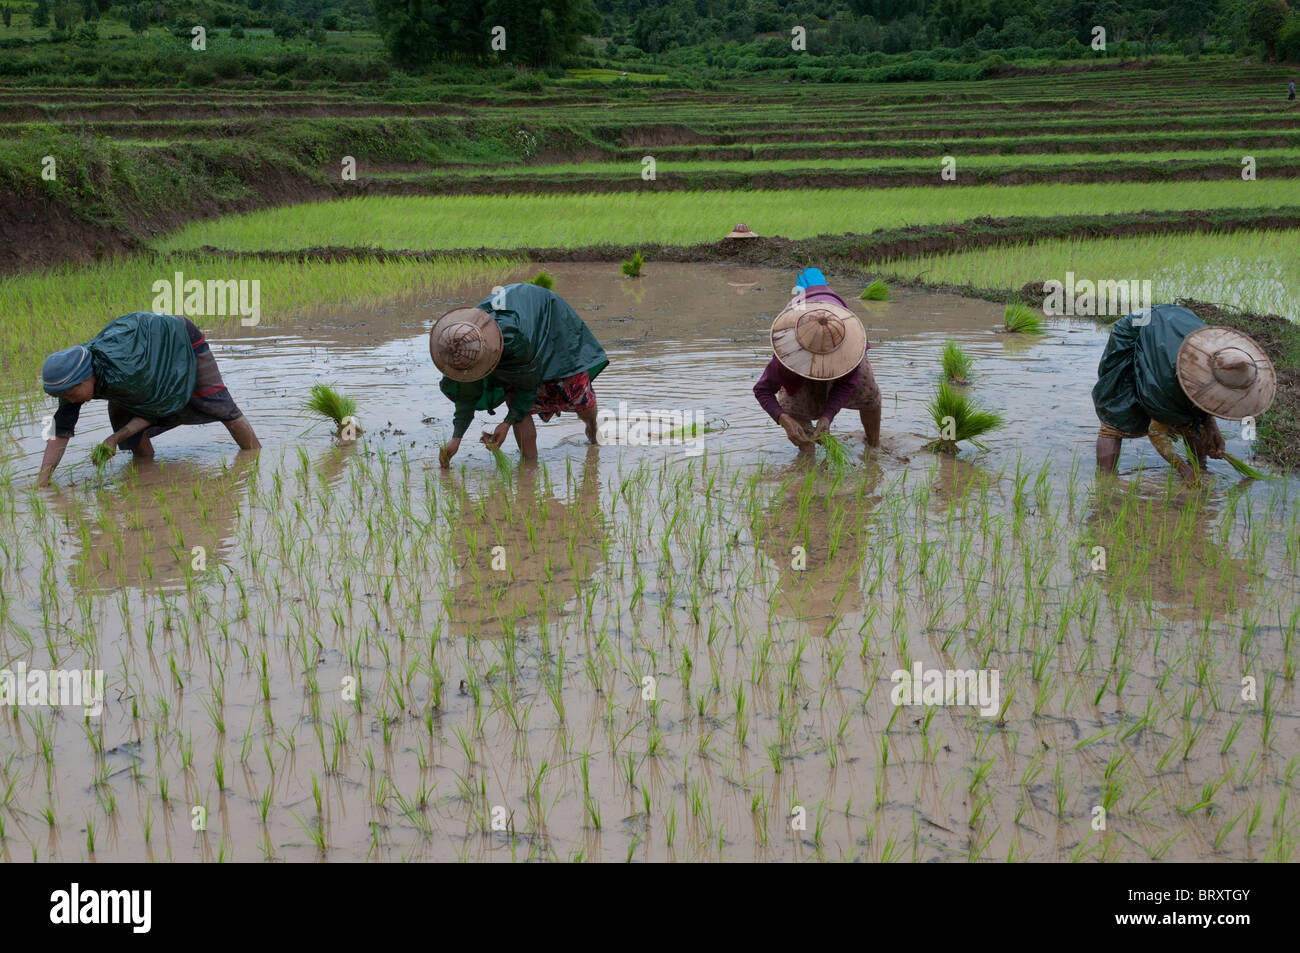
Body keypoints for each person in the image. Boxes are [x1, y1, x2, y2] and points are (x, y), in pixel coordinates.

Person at [38, 311, 260, 486]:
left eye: (69, 393)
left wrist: (113, 439)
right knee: (120, 413)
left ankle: (255, 458)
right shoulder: (72, 378)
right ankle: (146, 471)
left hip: (179, 340)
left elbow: (153, 410)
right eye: (63, 395)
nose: (67, 399)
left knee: (218, 403)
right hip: (144, 350)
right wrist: (43, 481)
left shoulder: (127, 373)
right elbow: (60, 431)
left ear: (85, 379)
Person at [1092, 303, 1275, 484]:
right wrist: (1182, 469)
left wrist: (1212, 428)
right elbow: (1156, 432)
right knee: (1115, 412)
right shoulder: (1167, 379)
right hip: (1137, 329)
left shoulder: (1225, 360)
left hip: (1173, 326)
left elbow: (1203, 402)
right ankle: (1105, 483)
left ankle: (1200, 468)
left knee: (1191, 418)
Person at [432, 283, 609, 465]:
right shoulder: (462, 348)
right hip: (516, 344)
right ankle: (529, 467)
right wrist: (456, 439)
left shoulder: (512, 340)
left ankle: (593, 430)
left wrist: (507, 423)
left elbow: (527, 387)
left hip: (550, 322)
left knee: (577, 391)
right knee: (518, 403)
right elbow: (467, 393)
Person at [753, 267, 882, 453]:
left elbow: (846, 384)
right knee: (793, 406)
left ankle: (874, 445)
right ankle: (806, 455)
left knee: (868, 393)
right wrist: (783, 418)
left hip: (838, 335)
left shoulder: (849, 349)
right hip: (801, 329)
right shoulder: (787, 358)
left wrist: (827, 416)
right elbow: (762, 389)